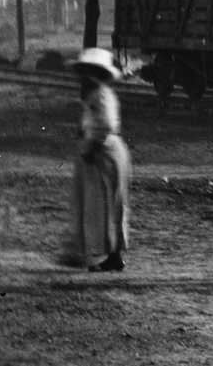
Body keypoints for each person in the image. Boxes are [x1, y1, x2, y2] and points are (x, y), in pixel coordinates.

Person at [69, 47, 130, 272]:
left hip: (104, 153)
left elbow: (106, 125)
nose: (84, 78)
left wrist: (91, 146)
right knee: (105, 204)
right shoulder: (94, 95)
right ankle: (110, 254)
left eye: (89, 72)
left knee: (104, 204)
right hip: (101, 152)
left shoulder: (101, 94)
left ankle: (109, 255)